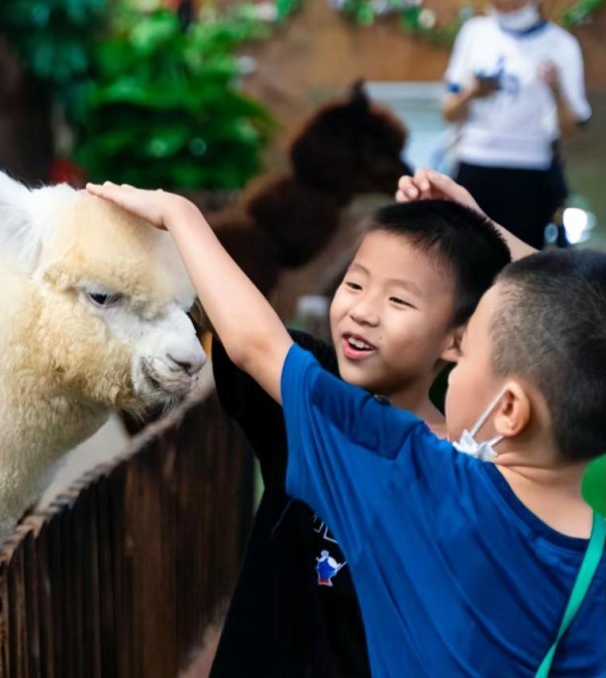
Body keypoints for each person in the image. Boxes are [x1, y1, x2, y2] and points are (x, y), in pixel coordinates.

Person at [85, 180, 606, 676]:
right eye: (354, 283)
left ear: (510, 409)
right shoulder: (593, 568)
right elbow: (577, 329)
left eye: (469, 352)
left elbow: (255, 343)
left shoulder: (415, 471)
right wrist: (486, 235)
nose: (364, 310)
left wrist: (182, 215)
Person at [205, 196, 518, 676]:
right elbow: (243, 333)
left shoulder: (467, 464)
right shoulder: (307, 387)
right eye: (354, 284)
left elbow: (575, 322)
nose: (363, 312)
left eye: (398, 300)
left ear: (458, 338)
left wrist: (485, 226)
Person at [442, 0, 591, 249]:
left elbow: (575, 126)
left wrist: (555, 89)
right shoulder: (475, 32)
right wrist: (473, 93)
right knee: (467, 257)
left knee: (520, 263)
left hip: (528, 170)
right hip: (474, 162)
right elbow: (448, 111)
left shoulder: (561, 45)